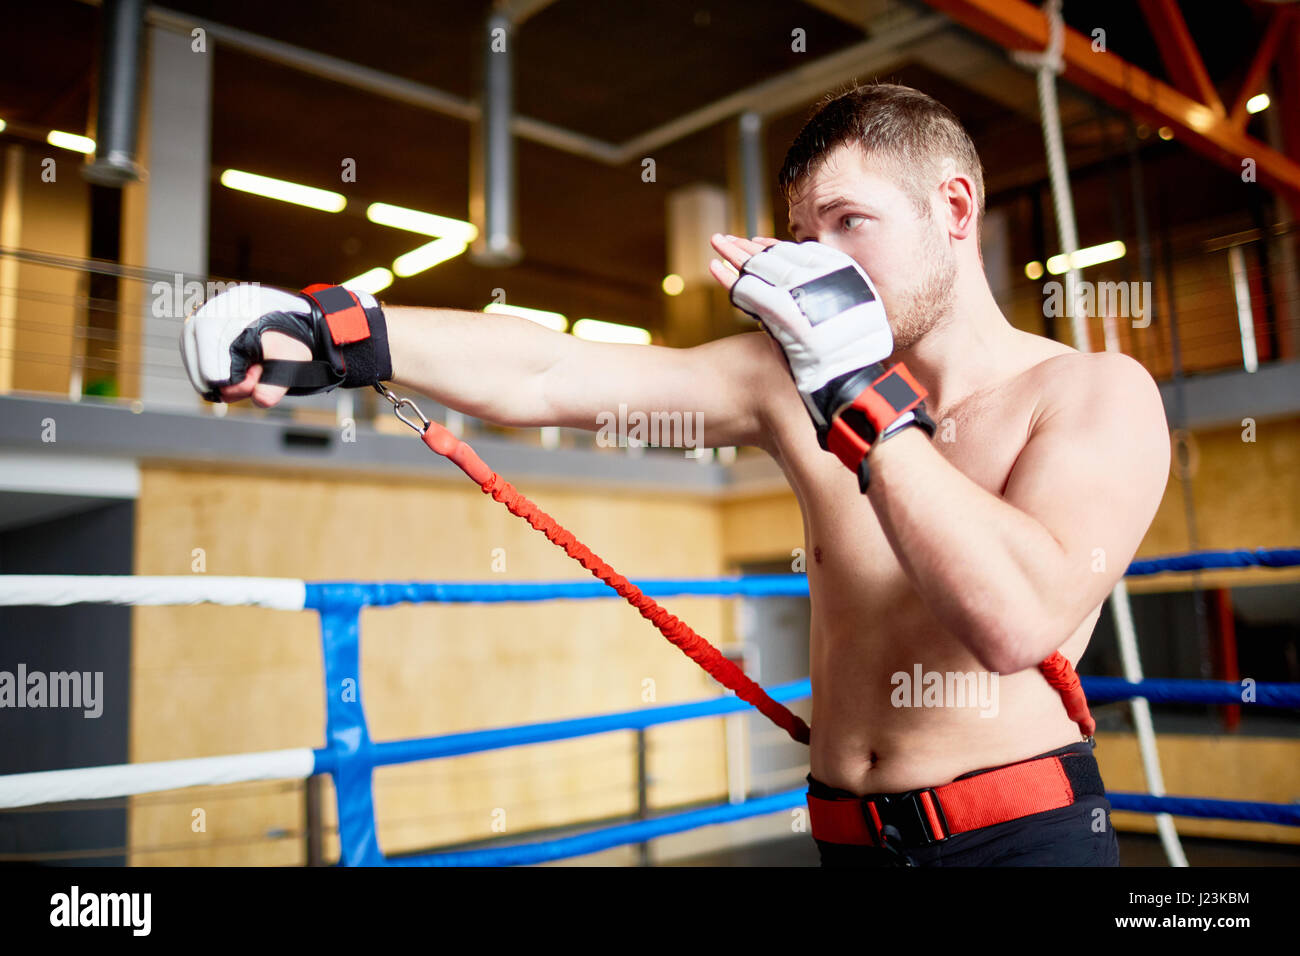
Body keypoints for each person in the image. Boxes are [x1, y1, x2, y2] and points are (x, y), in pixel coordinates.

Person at [181, 83, 1169, 866]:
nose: (815, 263)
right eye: (801, 234)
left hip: (1016, 841)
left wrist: (861, 391)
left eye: (848, 222)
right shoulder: (785, 379)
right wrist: (349, 331)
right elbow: (550, 368)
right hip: (843, 839)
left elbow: (1012, 619)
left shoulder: (1091, 395)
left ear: (953, 207)